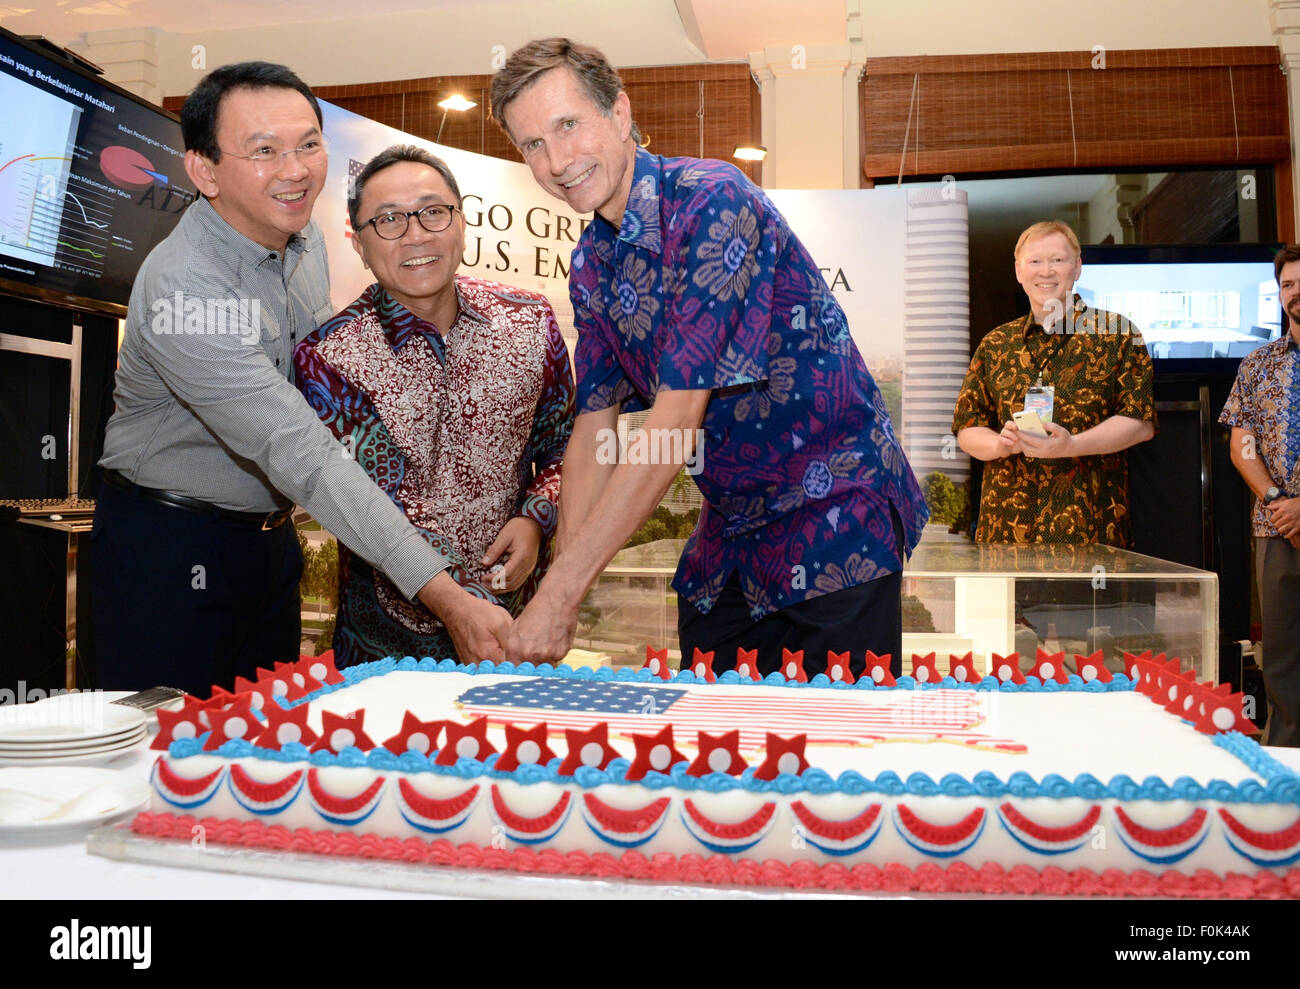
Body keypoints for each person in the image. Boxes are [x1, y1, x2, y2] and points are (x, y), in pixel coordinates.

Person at [489, 38, 929, 678]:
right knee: (714, 744)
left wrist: (560, 596)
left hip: (834, 511)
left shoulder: (710, 197)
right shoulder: (590, 263)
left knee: (840, 756)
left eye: (567, 125)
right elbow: (592, 429)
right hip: (732, 530)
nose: (556, 160)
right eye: (531, 144)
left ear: (618, 113)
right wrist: (561, 581)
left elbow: (674, 423)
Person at [92, 63, 509, 696]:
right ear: (204, 171)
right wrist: (446, 595)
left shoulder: (303, 237)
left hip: (270, 545)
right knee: (164, 757)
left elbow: (324, 377)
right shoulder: (186, 288)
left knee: (259, 753)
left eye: (309, 144)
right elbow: (300, 449)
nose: (296, 170)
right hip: (171, 550)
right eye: (264, 151)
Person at [293, 145, 575, 666]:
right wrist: (465, 605)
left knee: (521, 747)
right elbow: (375, 503)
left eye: (433, 211)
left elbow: (565, 443)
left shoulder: (530, 321)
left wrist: (537, 518)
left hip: (524, 629)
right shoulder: (328, 357)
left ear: (462, 222)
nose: (416, 234)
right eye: (388, 220)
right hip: (386, 644)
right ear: (358, 243)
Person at [952, 221, 1156, 545]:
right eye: (1034, 261)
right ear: (1019, 271)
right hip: (1006, 537)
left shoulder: (1117, 333)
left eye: (1058, 260)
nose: (1045, 271)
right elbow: (967, 427)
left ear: (1077, 267)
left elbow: (1140, 422)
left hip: (1091, 536)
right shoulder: (995, 344)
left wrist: (1072, 446)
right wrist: (1000, 445)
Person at [1220, 244, 1300, 747]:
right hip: (1276, 529)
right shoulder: (1258, 365)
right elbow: (1241, 444)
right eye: (1288, 285)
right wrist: (1278, 499)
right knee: (1284, 656)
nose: (1296, 293)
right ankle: (1287, 771)